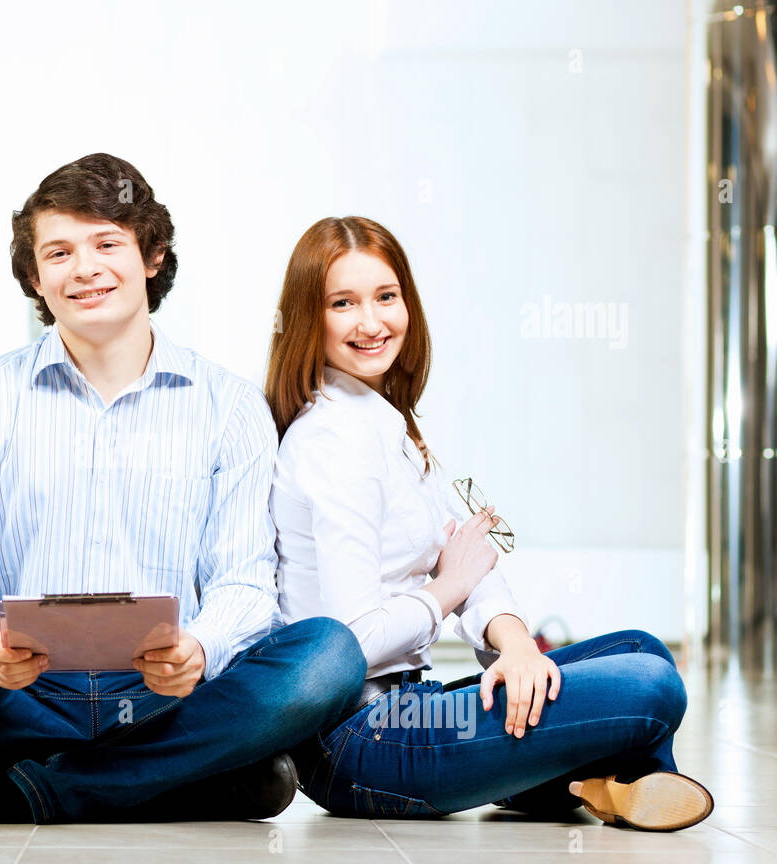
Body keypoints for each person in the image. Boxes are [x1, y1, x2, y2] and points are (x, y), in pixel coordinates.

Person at [0, 153, 366, 825]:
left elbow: (245, 585)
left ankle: (29, 791)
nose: (84, 268)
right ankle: (177, 777)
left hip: (169, 694)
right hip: (20, 696)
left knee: (329, 654)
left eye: (107, 243)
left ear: (151, 255)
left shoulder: (230, 407)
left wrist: (200, 648)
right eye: (58, 252)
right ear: (36, 278)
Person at [265, 215, 713, 831]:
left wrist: (517, 647)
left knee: (643, 648)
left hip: (412, 706)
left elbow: (474, 556)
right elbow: (349, 642)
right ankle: (594, 779)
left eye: (386, 297)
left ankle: (583, 782)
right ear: (310, 318)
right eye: (343, 303)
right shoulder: (334, 442)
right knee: (651, 687)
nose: (371, 322)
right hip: (362, 738)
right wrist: (446, 586)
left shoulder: (388, 423)